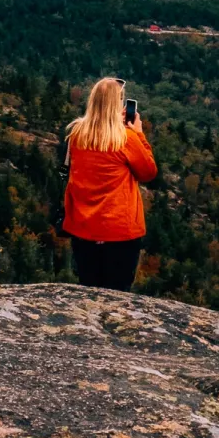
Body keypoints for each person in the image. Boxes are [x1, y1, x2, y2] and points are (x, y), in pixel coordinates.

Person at [62, 76, 157, 292]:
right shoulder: (126, 138)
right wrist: (139, 134)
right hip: (119, 231)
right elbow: (148, 172)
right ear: (118, 105)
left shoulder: (76, 134)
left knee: (88, 291)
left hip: (83, 227)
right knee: (117, 294)